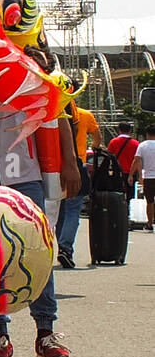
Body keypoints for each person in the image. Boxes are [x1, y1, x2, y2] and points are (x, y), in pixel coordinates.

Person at [0, 93, 80, 357]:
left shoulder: (27, 59)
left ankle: (45, 332)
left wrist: (70, 160)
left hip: (22, 168)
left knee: (37, 250)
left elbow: (55, 108)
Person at [55, 99, 100, 267]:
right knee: (73, 210)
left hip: (54, 165)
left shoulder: (51, 105)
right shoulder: (85, 115)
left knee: (59, 211)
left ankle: (56, 246)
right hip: (76, 164)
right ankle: (65, 248)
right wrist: (93, 149)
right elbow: (97, 137)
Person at [128, 125, 155, 232]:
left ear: (147, 134)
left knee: (150, 201)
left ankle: (149, 223)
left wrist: (132, 174)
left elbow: (136, 160)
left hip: (148, 177)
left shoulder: (142, 145)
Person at [107, 122, 140, 204]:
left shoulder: (113, 142)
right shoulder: (136, 143)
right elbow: (138, 160)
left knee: (117, 193)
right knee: (130, 194)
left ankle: (118, 210)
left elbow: (108, 157)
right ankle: (128, 211)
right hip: (131, 173)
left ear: (119, 130)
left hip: (117, 172)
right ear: (130, 131)